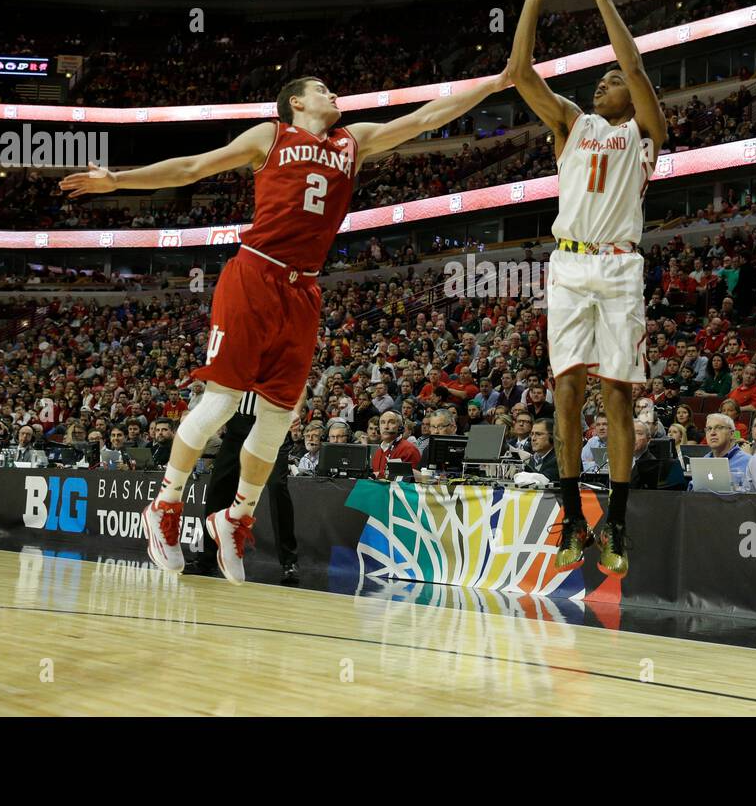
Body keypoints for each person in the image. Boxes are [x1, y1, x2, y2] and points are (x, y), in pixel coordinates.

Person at [62, 64, 509, 584]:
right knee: (223, 402)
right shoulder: (270, 134)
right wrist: (116, 180)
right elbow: (192, 168)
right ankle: (164, 507)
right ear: (295, 102)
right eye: (323, 88)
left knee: (278, 418)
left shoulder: (352, 140)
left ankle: (235, 518)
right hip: (255, 273)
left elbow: (426, 116)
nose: (334, 91)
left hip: (304, 289)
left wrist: (495, 84)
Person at [509, 0, 667, 579]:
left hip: (621, 265)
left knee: (617, 397)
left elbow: (633, 67)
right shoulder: (571, 124)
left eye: (611, 82)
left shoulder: (644, 132)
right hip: (570, 265)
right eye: (596, 81)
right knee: (567, 393)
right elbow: (519, 74)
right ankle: (574, 517)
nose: (603, 85)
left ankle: (619, 522)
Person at [188, 390, 298, 581]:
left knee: (277, 486)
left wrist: (295, 410)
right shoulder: (243, 360)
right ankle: (206, 559)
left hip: (273, 423)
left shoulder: (285, 361)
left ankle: (289, 562)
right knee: (218, 487)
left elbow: (301, 387)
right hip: (239, 424)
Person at [693, 413, 750, 490]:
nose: (712, 433)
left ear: (732, 434)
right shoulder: (704, 460)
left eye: (719, 428)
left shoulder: (748, 461)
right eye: (709, 429)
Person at [372, 410, 422, 477]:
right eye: (382, 422)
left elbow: (411, 482)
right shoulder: (378, 452)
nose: (386, 427)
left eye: (391, 422)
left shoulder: (409, 450)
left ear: (400, 428)